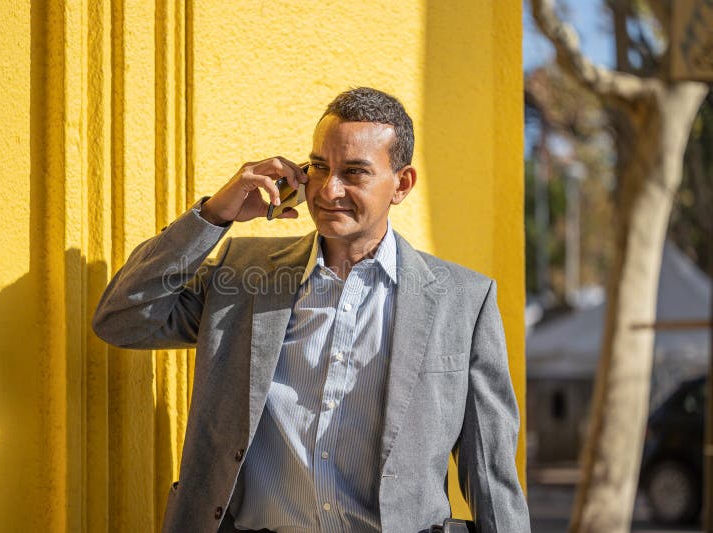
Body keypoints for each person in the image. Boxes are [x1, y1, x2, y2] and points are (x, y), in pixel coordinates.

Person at [93, 87, 530, 532]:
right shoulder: (244, 277)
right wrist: (214, 216)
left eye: (354, 173)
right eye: (319, 167)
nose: (328, 189)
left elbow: (492, 477)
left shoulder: (463, 300)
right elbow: (122, 319)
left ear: (402, 184)